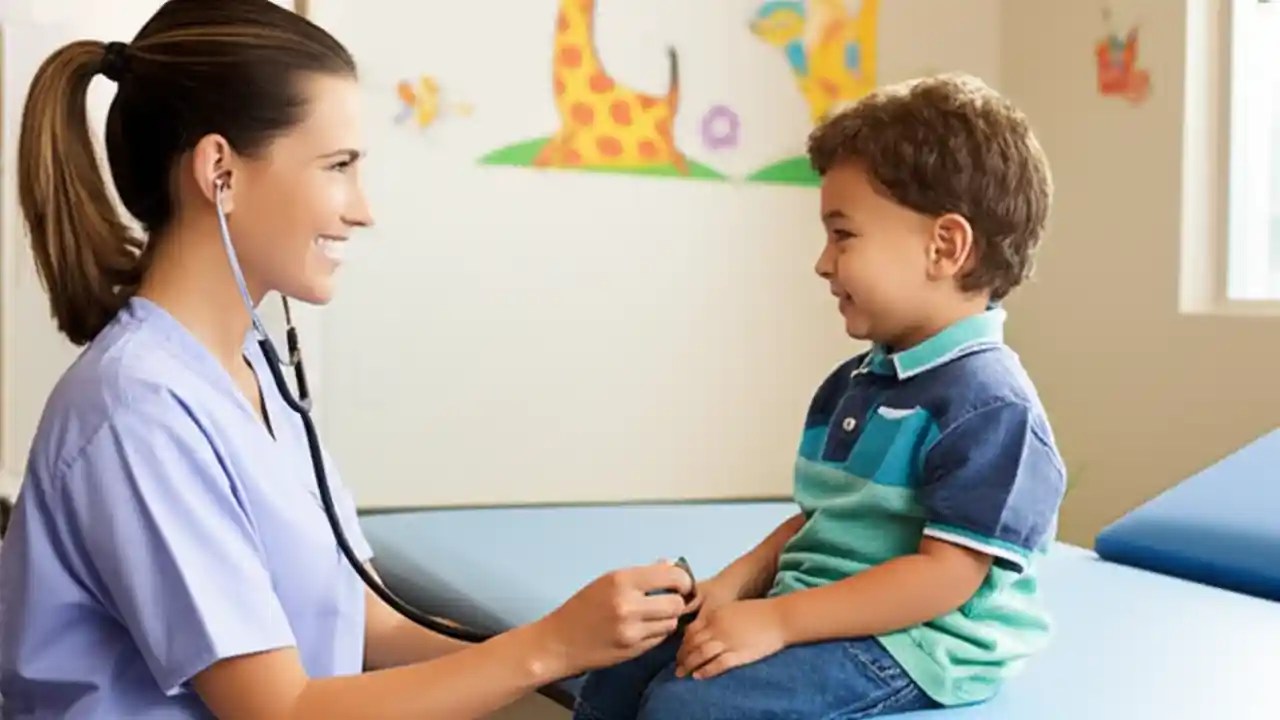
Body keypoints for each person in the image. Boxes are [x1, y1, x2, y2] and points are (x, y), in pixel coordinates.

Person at [0, 1, 694, 718]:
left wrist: (583, 654)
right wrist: (549, 646)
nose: (364, 209)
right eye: (338, 166)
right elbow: (281, 710)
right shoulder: (135, 411)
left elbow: (370, 624)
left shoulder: (249, 373)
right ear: (219, 172)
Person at [572, 73, 1067, 720]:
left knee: (691, 707)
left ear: (944, 246)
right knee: (623, 657)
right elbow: (821, 521)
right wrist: (730, 588)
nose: (823, 262)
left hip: (917, 641)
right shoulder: (859, 382)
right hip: (822, 605)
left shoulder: (991, 407)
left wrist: (777, 621)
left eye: (843, 235)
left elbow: (943, 578)